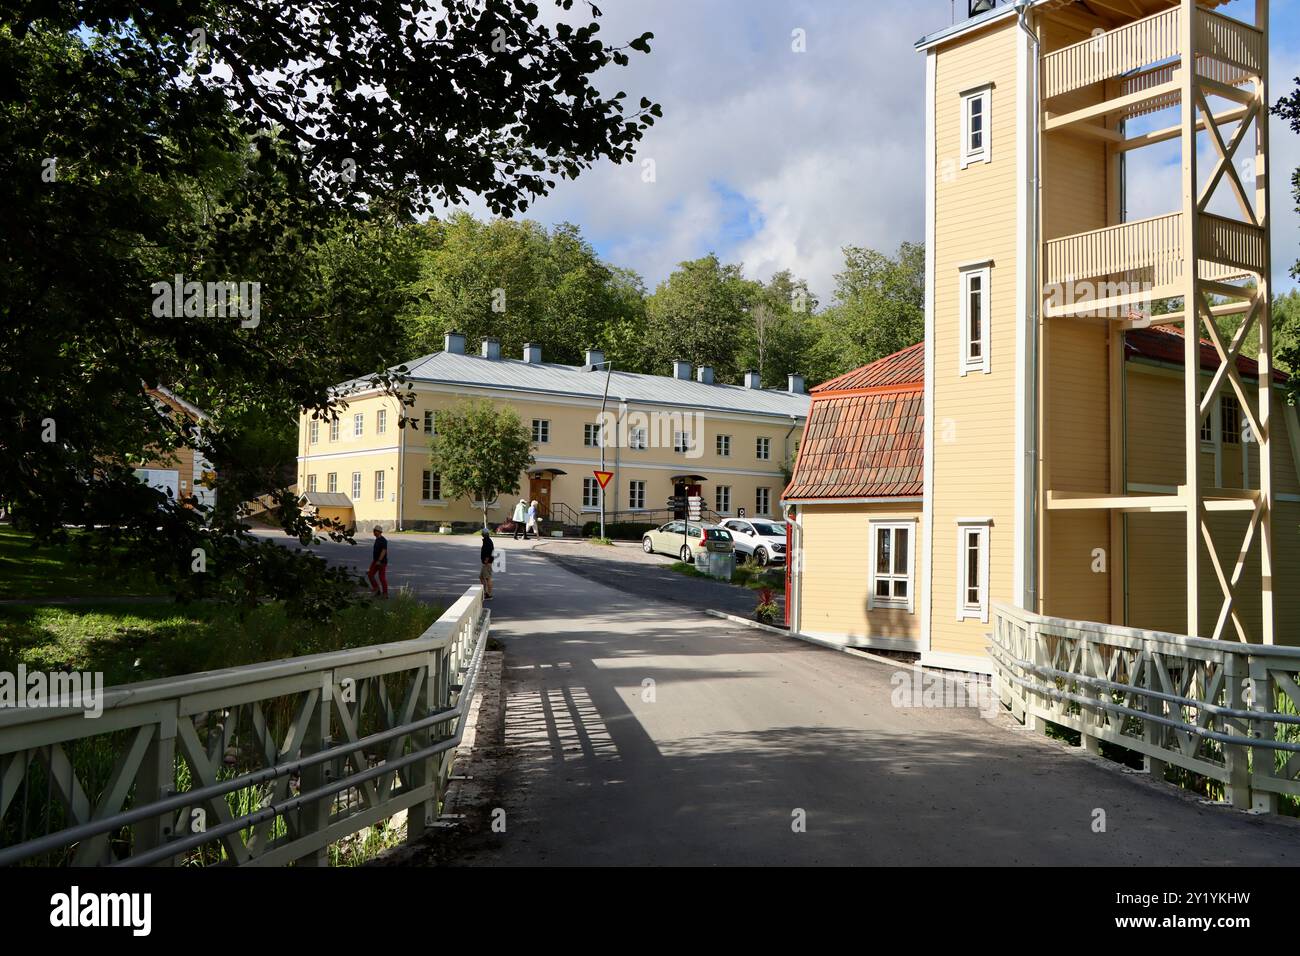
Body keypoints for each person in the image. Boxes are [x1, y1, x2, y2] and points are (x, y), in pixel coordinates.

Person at [368, 526, 389, 598]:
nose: (374, 532)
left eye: (375, 531)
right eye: (374, 531)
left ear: (379, 532)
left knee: (381, 577)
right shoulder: (377, 539)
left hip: (381, 562)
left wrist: (379, 560)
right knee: (370, 574)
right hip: (375, 561)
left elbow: (384, 551)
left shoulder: (383, 540)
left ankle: (385, 594)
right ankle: (376, 589)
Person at [479, 528, 494, 600]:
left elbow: (488, 552)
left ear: (484, 534)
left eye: (482, 533)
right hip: (486, 562)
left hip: (487, 562)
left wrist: (486, 560)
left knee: (488, 578)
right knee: (481, 577)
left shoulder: (487, 541)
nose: (481, 534)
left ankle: (489, 594)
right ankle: (484, 592)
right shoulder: (486, 540)